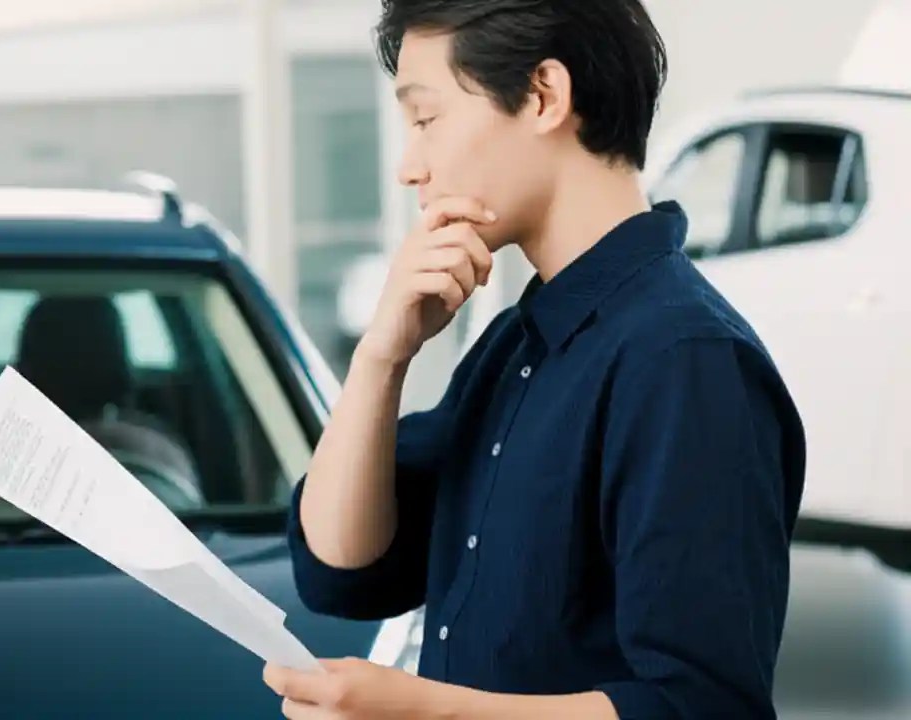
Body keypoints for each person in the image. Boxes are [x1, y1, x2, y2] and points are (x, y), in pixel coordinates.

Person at [261, 1, 806, 718]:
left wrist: (426, 712)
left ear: (545, 95)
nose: (409, 166)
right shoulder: (514, 346)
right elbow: (341, 571)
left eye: (426, 119)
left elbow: (702, 706)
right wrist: (380, 358)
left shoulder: (686, 362)